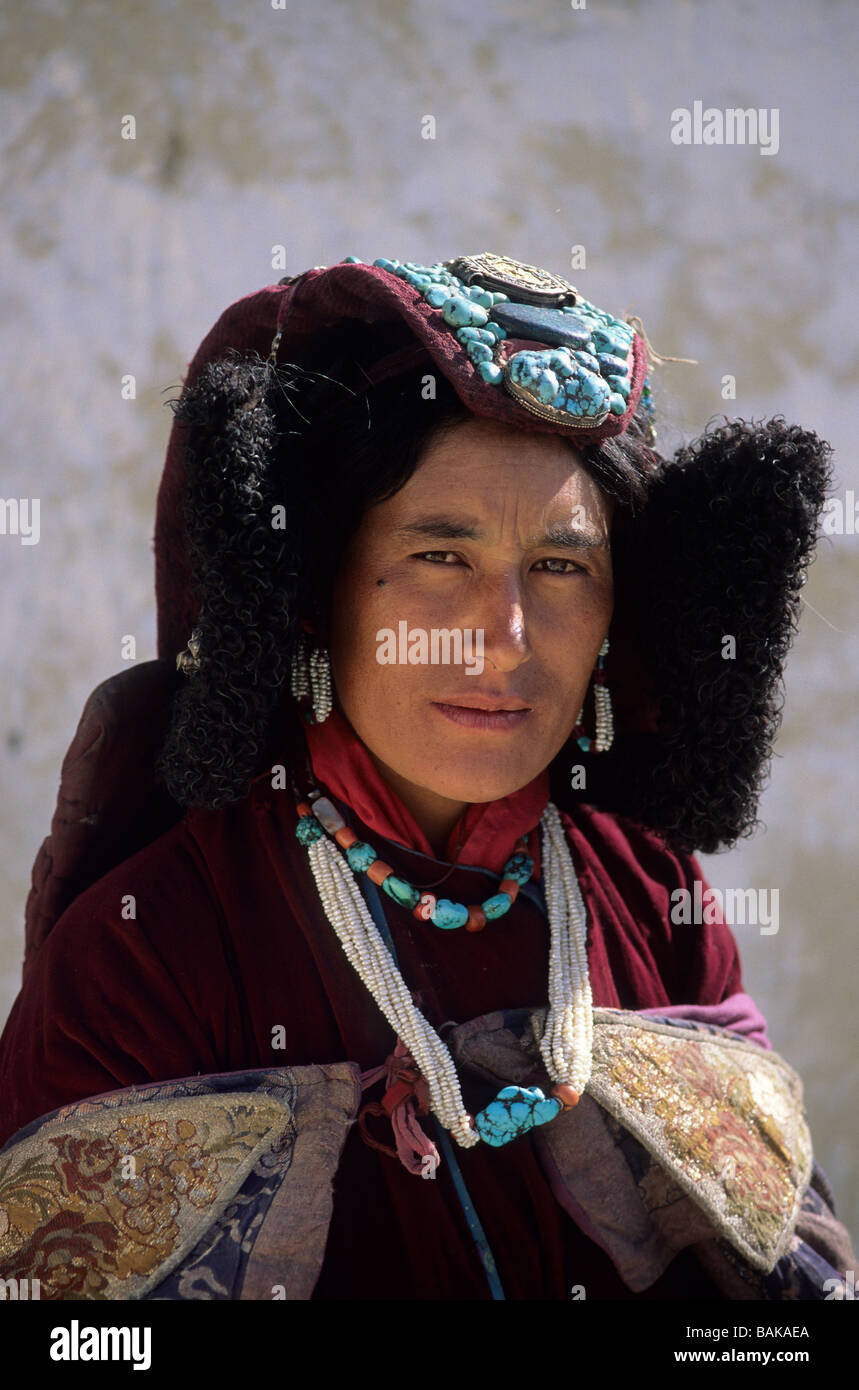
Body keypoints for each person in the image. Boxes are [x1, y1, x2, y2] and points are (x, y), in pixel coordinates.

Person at [0, 252, 854, 1301]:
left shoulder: (651, 898)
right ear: (315, 591)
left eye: (559, 566)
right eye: (439, 558)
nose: (503, 643)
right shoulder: (152, 943)